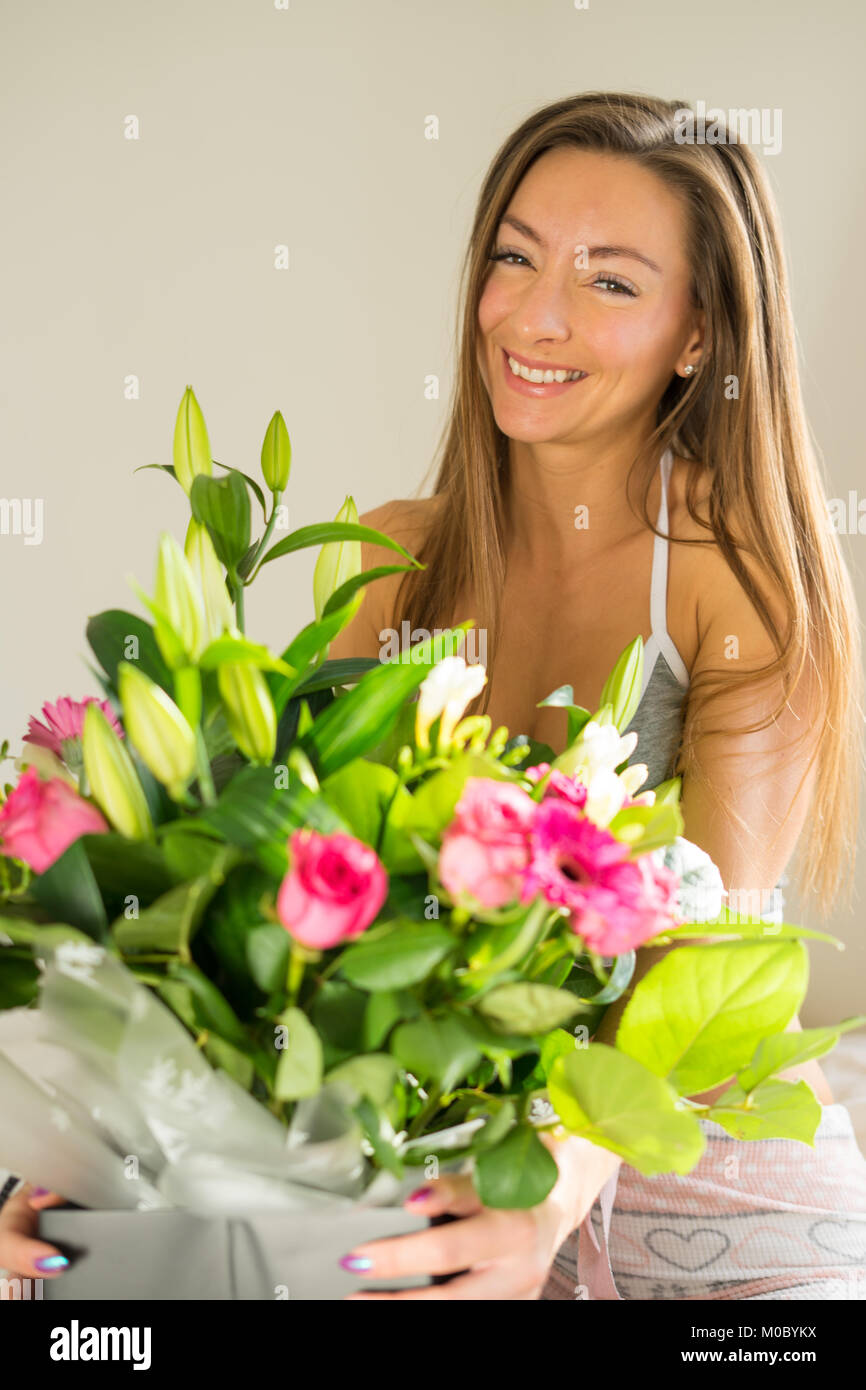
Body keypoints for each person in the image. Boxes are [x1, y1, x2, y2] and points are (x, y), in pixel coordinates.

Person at [2, 90, 864, 1300]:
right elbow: (282, 917)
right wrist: (86, 1169)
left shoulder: (743, 589)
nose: (535, 314)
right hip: (450, 1170)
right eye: (514, 258)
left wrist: (550, 1194)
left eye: (608, 281)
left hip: (699, 1177)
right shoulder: (388, 552)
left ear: (698, 335)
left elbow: (702, 965)